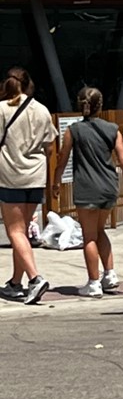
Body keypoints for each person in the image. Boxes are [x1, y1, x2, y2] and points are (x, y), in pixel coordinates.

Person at [51, 87, 123, 298]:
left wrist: (55, 182)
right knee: (100, 230)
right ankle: (110, 273)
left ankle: (93, 283)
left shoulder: (73, 130)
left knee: (89, 236)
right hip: (108, 186)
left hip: (87, 187)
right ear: (100, 105)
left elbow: (62, 159)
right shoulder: (113, 129)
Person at [0, 68, 57, 305]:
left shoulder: (2, 109)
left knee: (14, 231)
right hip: (36, 175)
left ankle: (35, 278)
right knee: (21, 232)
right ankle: (15, 282)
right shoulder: (41, 109)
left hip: (11, 175)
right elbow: (50, 145)